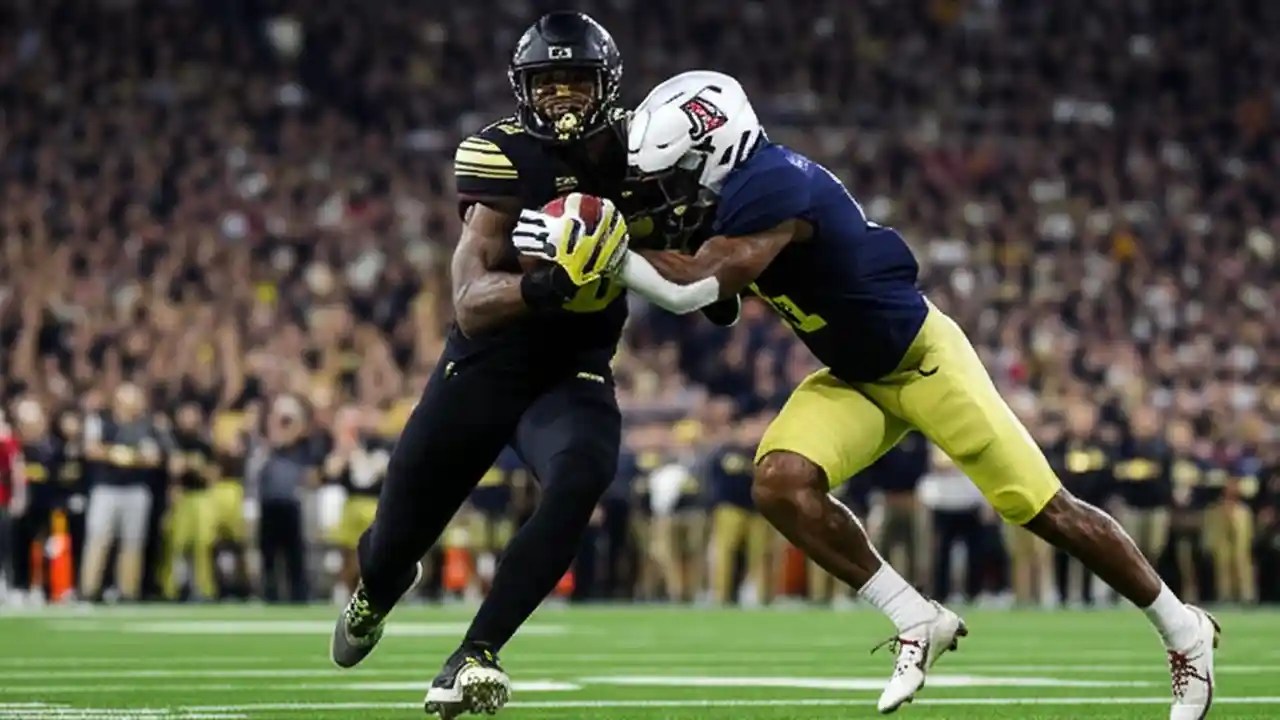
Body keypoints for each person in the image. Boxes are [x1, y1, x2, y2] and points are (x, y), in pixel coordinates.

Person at [525, 70, 1219, 719]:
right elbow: (722, 305)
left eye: (678, 172)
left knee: (1046, 511)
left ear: (715, 151)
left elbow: (695, 290)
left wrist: (607, 253)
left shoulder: (772, 184)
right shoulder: (739, 190)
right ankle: (916, 617)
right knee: (780, 482)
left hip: (922, 361)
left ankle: (1183, 630)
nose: (671, 189)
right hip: (856, 376)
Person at [329, 12, 637, 719]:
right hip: (485, 366)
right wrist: (548, 284)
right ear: (523, 88)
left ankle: (477, 652)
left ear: (608, 85)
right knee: (392, 546)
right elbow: (469, 303)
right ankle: (376, 592)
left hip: (574, 367)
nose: (561, 95)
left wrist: (707, 285)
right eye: (547, 82)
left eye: (577, 80)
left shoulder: (641, 153)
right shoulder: (502, 155)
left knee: (583, 474)